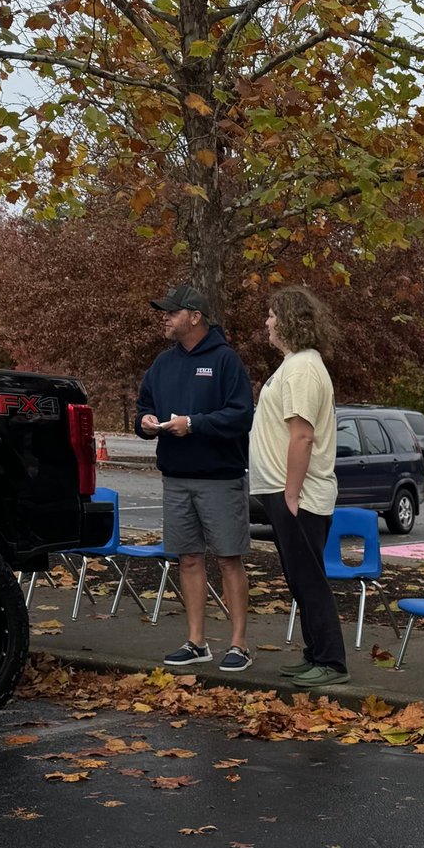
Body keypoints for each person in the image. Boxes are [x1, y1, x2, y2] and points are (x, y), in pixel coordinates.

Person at [135, 283, 254, 672]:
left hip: (220, 478)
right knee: (188, 558)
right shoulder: (162, 363)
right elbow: (143, 408)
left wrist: (195, 424)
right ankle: (196, 641)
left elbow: (241, 416)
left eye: (171, 312)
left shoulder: (225, 361)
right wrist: (146, 423)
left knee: (228, 558)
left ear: (195, 317)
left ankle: (238, 644)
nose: (165, 318)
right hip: (176, 478)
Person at [249, 285, 347, 687]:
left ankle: (331, 662)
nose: (267, 322)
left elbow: (302, 436)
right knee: (299, 578)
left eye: (272, 314)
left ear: (289, 320)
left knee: (309, 579)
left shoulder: (304, 368)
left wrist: (291, 492)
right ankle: (314, 654)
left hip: (299, 496)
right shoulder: (293, 364)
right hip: (285, 492)